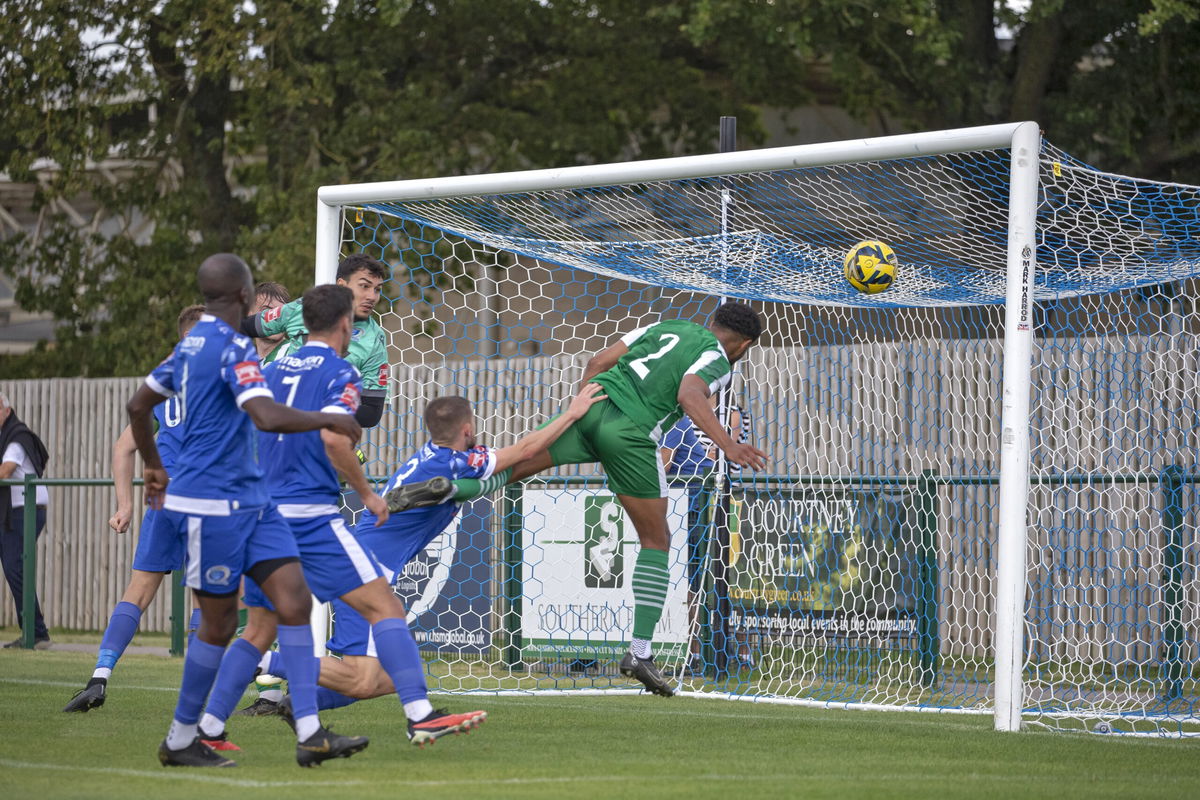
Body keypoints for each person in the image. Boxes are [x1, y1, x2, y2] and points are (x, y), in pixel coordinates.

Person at [387, 302, 767, 697]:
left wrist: (582, 408)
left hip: (592, 407)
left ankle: (448, 488)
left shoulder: (667, 326)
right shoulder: (719, 359)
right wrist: (728, 445)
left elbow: (599, 360)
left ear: (713, 323)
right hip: (631, 436)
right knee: (657, 541)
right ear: (744, 344)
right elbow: (690, 393)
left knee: (509, 471)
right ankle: (639, 653)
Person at [194, 285, 502, 750]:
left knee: (259, 629)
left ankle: (209, 730)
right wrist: (368, 494)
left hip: (262, 515)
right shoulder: (342, 371)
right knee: (385, 607)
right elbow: (336, 441)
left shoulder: (268, 372)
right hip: (310, 516)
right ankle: (421, 716)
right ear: (344, 325)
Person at [250, 386, 607, 742]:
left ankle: (299, 704)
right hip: (363, 569)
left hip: (364, 563)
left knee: (393, 678)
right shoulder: (450, 462)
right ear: (468, 428)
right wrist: (572, 413)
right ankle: (263, 662)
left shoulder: (444, 458)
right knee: (361, 677)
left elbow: (515, 462)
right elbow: (527, 449)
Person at [126, 253, 367, 768]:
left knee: (294, 602)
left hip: (253, 501)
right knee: (218, 625)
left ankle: (310, 734)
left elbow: (137, 405)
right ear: (242, 296)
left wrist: (152, 464)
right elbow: (265, 414)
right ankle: (181, 739)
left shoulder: (188, 346)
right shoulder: (232, 347)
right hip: (212, 505)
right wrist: (329, 419)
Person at [62, 305, 206, 712]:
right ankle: (197, 699)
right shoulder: (218, 375)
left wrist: (124, 504)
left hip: (164, 498)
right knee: (204, 598)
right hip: (202, 498)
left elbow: (123, 446)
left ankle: (99, 678)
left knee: (138, 591)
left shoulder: (162, 381)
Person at [242, 255, 389, 427]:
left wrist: (313, 407)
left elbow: (371, 413)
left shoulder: (374, 340)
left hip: (321, 437)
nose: (372, 296)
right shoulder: (301, 308)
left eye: (377, 289)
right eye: (364, 286)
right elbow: (243, 327)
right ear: (342, 285)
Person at [658, 416, 714, 677]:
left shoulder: (672, 422)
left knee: (697, 583)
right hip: (679, 509)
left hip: (697, 509)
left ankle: (700, 655)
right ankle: (698, 653)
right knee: (688, 581)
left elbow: (663, 465)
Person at [0, 392, 51, 649]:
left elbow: (5, 471)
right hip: (19, 510)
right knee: (15, 567)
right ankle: (36, 631)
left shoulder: (16, 438)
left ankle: (36, 632)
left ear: (7, 410)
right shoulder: (6, 437)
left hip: (25, 510)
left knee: (15, 567)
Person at [252, 282, 291, 362]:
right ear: (250, 314)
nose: (276, 317)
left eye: (282, 312)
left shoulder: (296, 354)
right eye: (267, 310)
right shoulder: (243, 360)